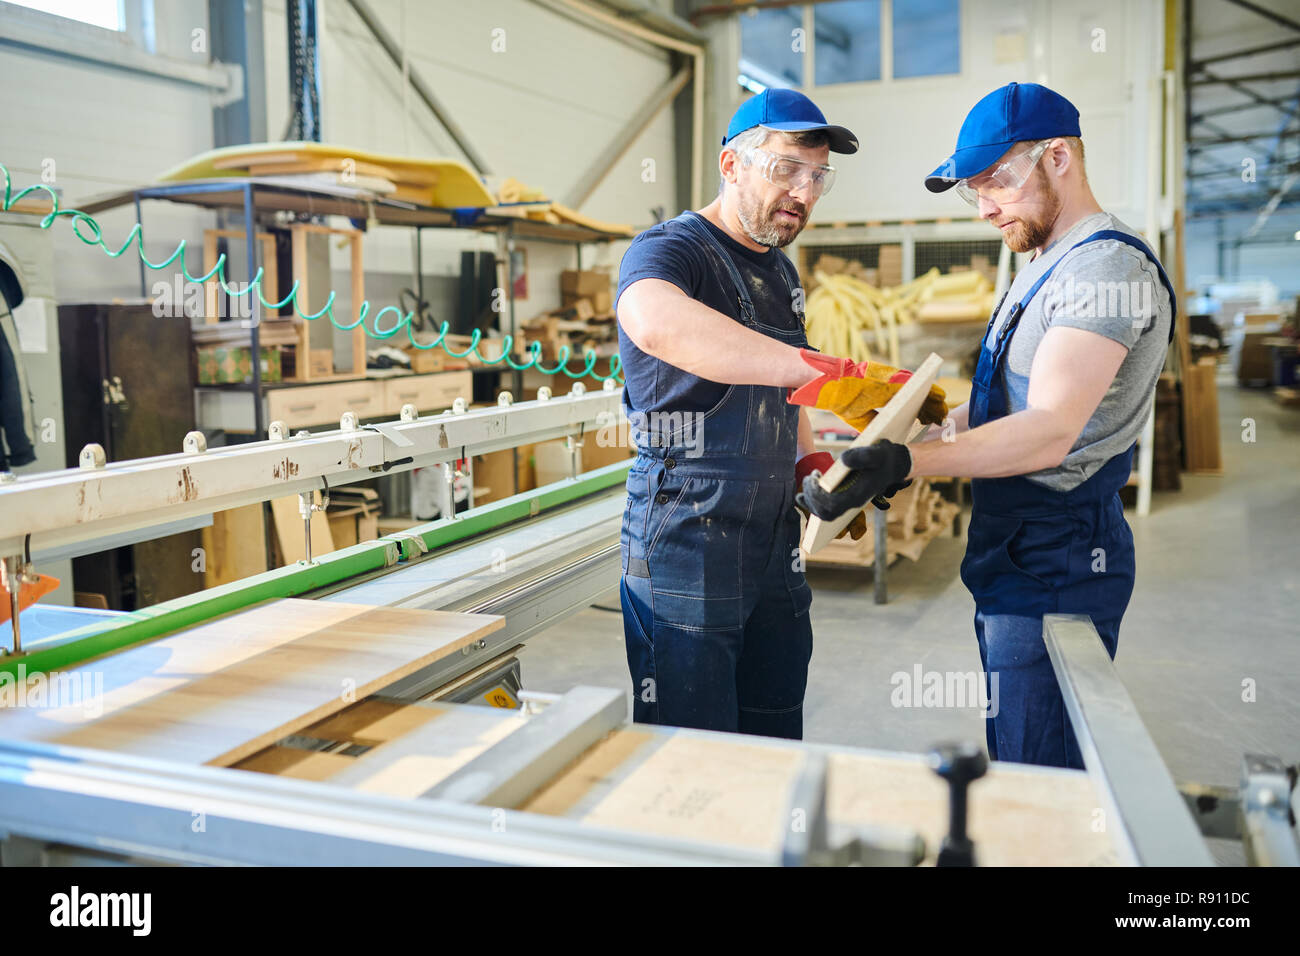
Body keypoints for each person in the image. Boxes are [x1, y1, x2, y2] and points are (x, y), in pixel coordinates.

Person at [799, 82, 1175, 768]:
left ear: (1057, 156)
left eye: (997, 181)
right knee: (1018, 748)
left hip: (1060, 555)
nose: (985, 206)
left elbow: (1049, 430)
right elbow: (1007, 403)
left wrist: (909, 466)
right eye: (973, 189)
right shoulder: (1043, 265)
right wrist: (897, 445)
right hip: (1017, 546)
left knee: (1042, 765)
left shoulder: (1104, 269)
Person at [615, 89, 903, 739]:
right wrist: (826, 374)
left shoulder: (781, 272)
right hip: (686, 533)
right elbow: (656, 323)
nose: (804, 190)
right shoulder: (670, 251)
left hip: (773, 538)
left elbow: (783, 396)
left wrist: (815, 467)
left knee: (774, 730)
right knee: (693, 747)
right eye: (786, 168)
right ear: (731, 163)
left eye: (818, 175)